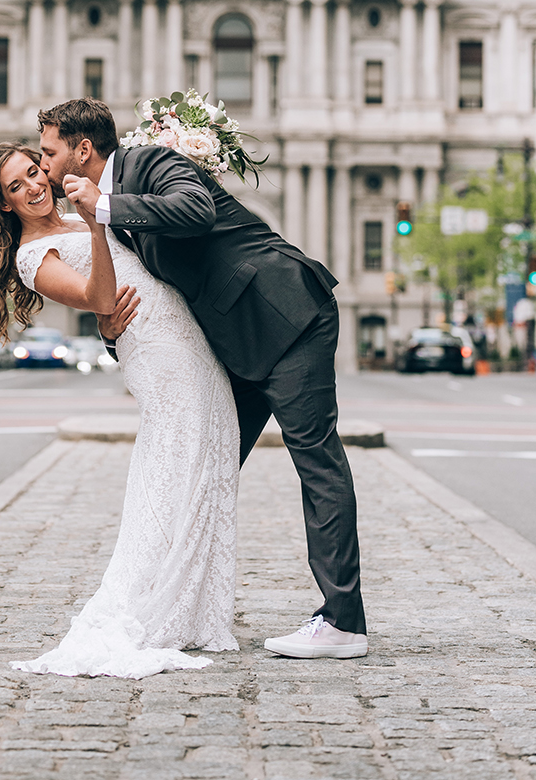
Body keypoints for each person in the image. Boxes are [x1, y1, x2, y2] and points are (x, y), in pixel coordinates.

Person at [38, 98, 367, 661]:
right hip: (236, 343)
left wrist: (107, 204)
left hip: (286, 316)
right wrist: (113, 331)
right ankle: (177, 603)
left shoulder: (150, 165)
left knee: (315, 456)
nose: (43, 166)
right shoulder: (109, 211)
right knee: (202, 463)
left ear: (83, 150)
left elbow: (196, 212)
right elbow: (147, 291)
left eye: (48, 153)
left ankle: (342, 621)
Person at [0, 141, 240, 678]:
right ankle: (147, 600)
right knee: (173, 460)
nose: (32, 187)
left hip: (184, 333)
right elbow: (99, 298)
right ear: (4, 204)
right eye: (16, 187)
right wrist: (95, 225)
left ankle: (189, 605)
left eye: (33, 172)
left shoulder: (84, 208)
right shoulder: (32, 256)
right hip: (155, 353)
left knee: (209, 456)